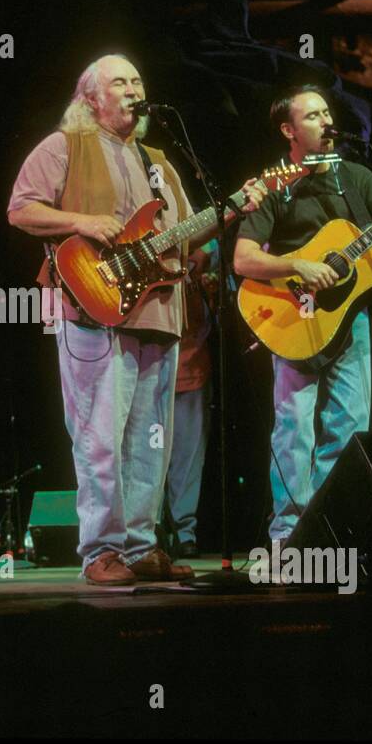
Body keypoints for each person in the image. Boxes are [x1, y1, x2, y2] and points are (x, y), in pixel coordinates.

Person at [8, 54, 265, 585]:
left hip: (160, 310)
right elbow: (21, 208)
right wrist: (81, 220)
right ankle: (101, 551)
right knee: (100, 433)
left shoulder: (159, 162)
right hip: (92, 308)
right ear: (91, 98)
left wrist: (236, 208)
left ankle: (143, 546)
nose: (132, 89)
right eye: (119, 81)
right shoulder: (65, 146)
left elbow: (184, 233)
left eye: (137, 80)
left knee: (153, 437)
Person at [232, 84, 372, 543]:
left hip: (351, 319)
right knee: (295, 431)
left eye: (327, 113)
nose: (325, 122)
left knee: (350, 429)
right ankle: (289, 536)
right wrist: (297, 264)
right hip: (295, 318)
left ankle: (335, 532)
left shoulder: (356, 175)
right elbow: (244, 259)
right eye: (312, 116)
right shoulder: (275, 184)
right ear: (288, 130)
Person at [161, 240, 219, 560]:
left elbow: (214, 253)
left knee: (187, 458)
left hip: (192, 363)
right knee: (147, 456)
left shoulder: (197, 238)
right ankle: (148, 531)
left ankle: (184, 533)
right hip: (148, 365)